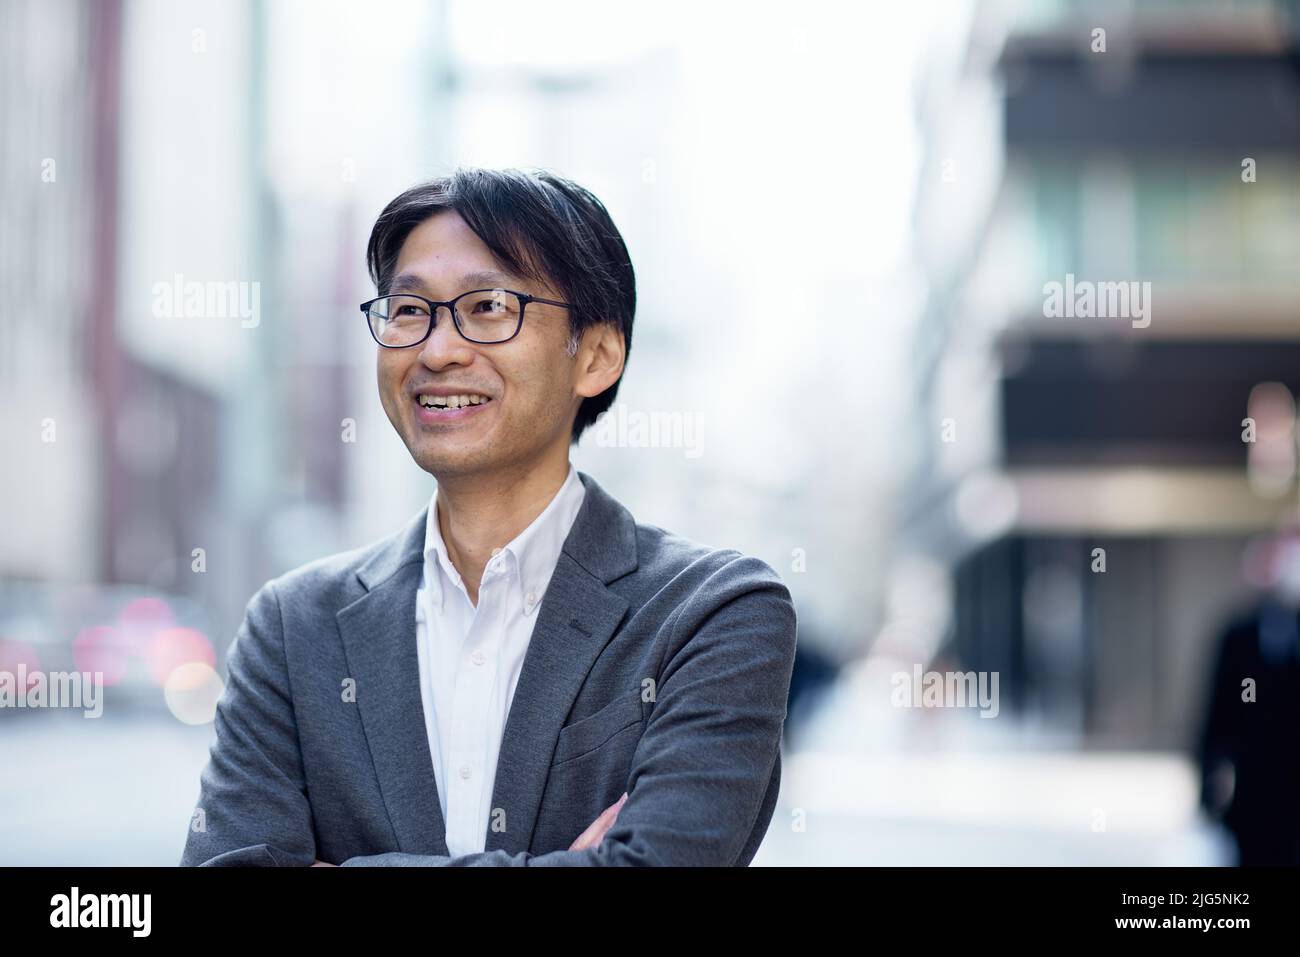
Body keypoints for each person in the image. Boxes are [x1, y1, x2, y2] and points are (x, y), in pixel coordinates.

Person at [180, 167, 798, 866]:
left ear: (595, 356)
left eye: (488, 306)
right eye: (410, 311)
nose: (437, 350)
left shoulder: (713, 613)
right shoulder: (293, 627)